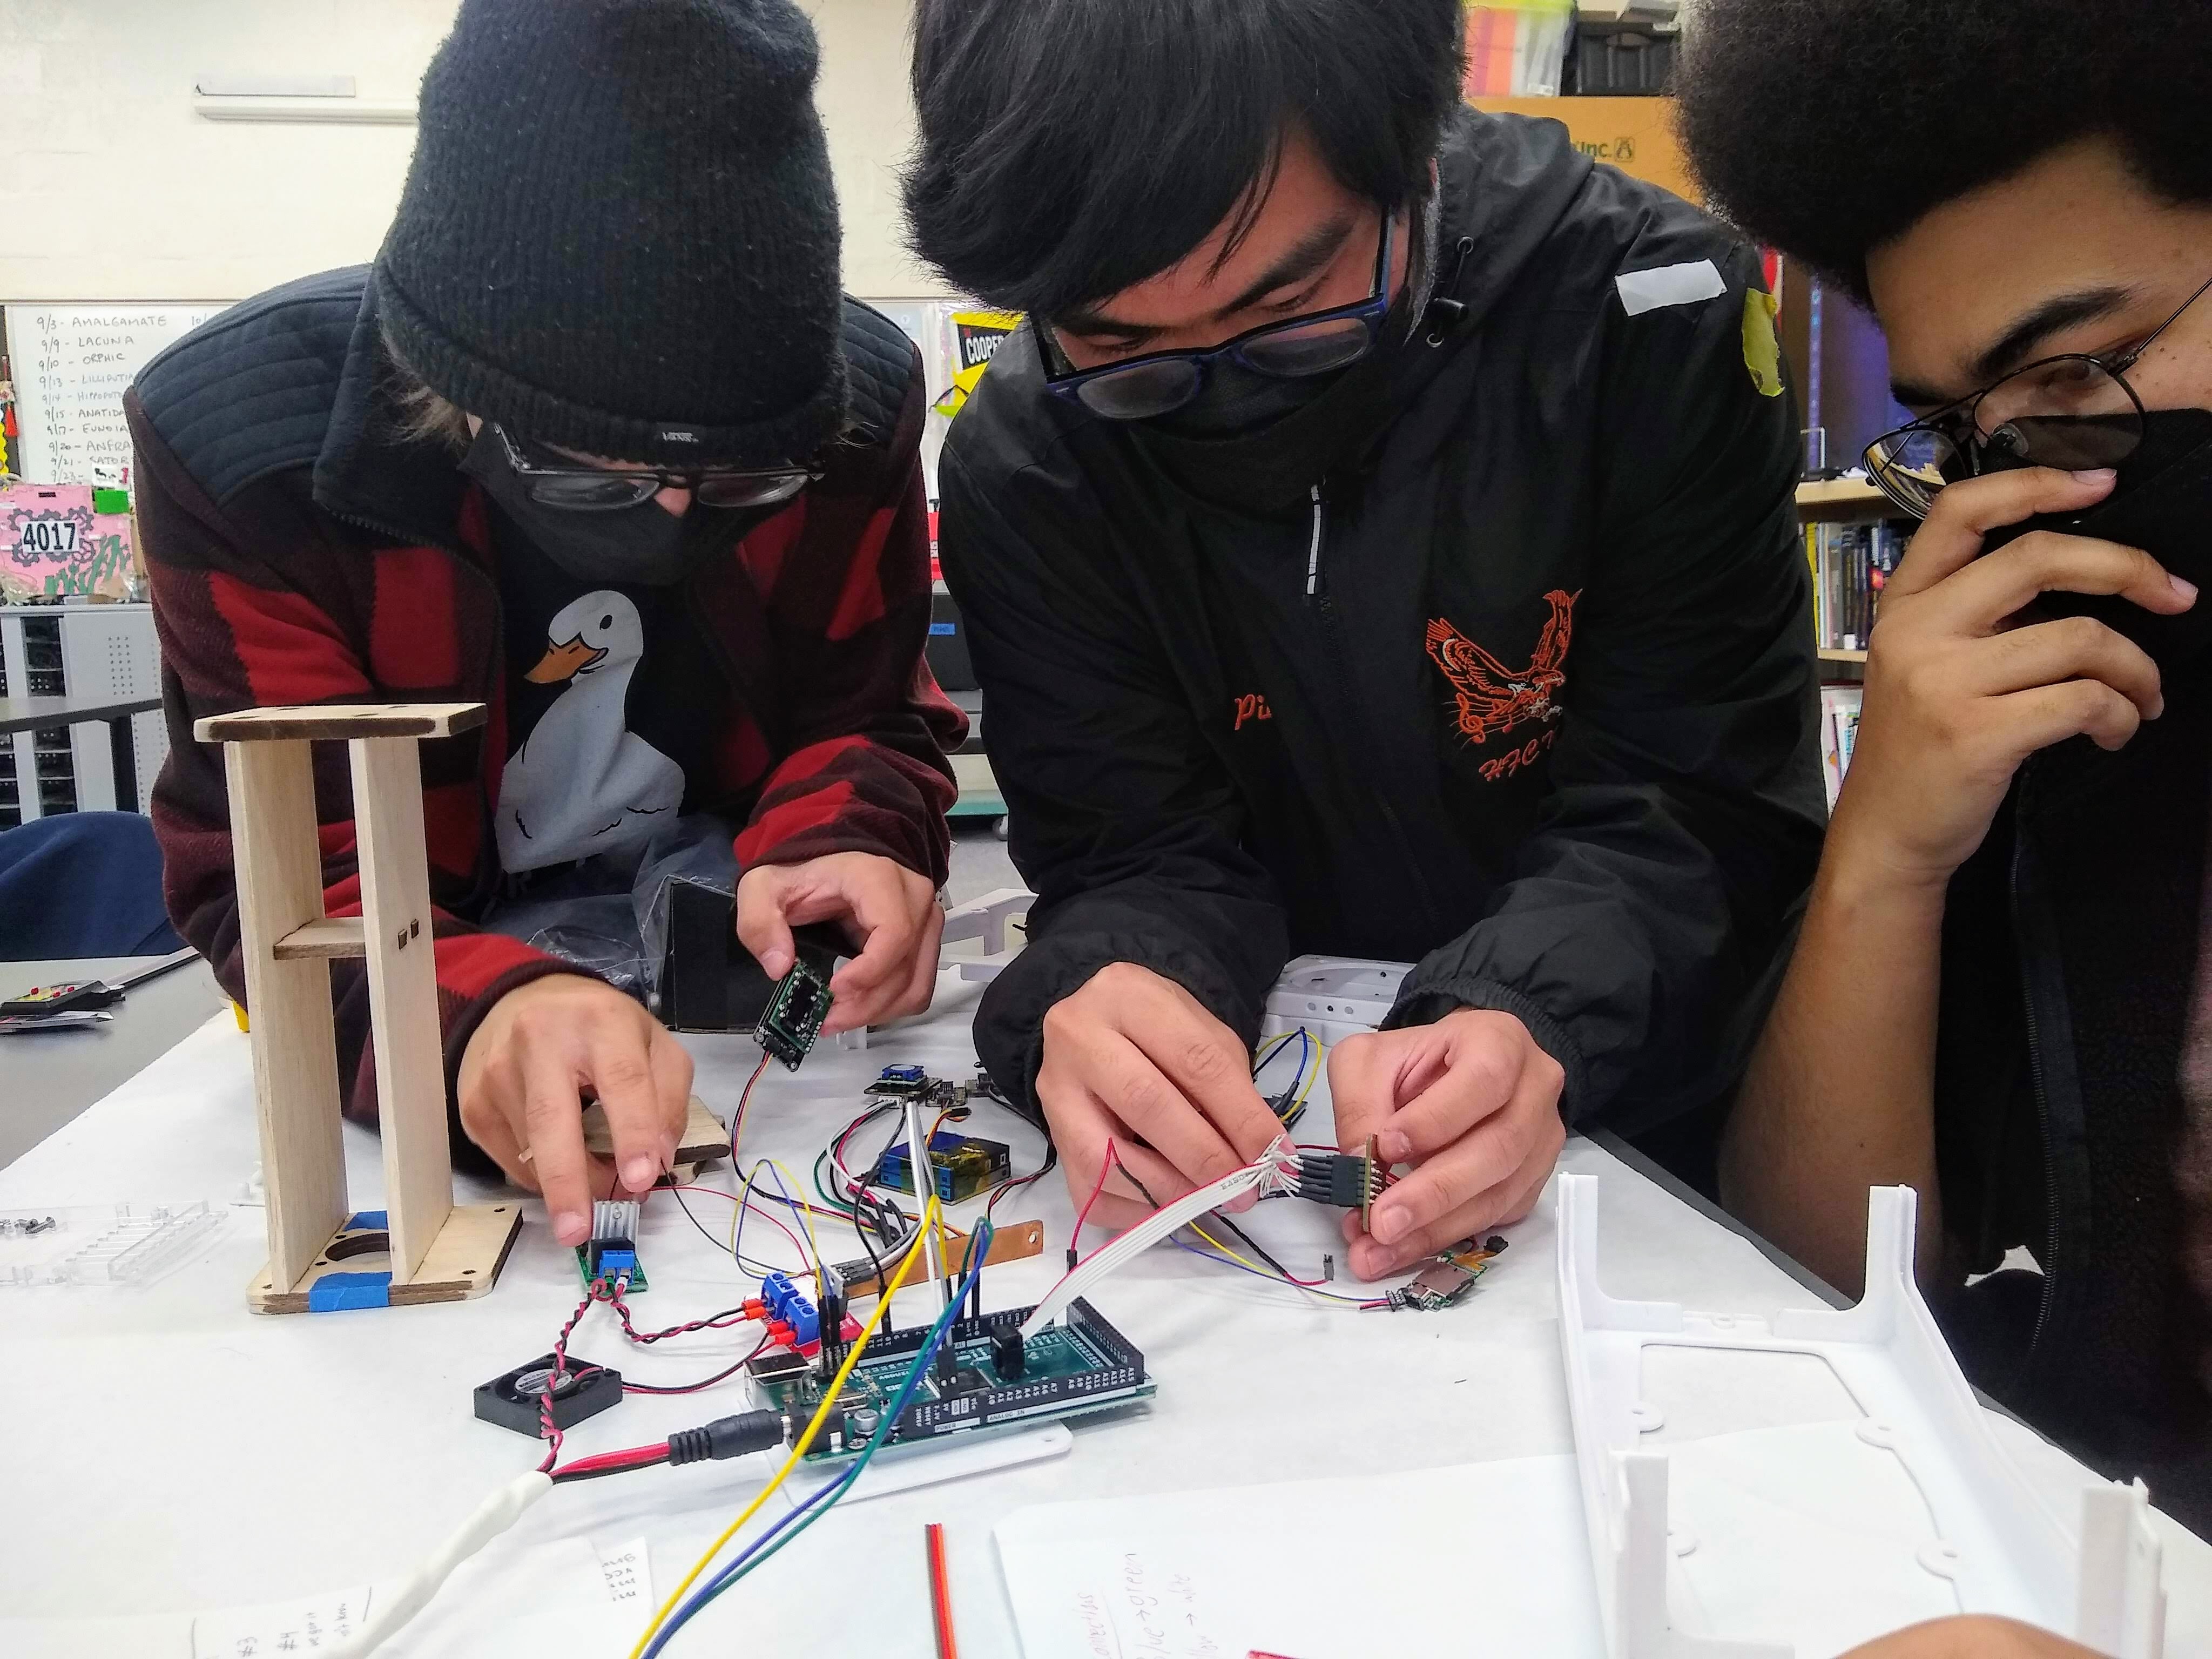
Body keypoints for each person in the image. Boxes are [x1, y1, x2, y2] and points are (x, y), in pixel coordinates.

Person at [906, 0, 1824, 1278]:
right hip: (1283, 1116)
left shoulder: (1646, 317)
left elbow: (1695, 796)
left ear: (1418, 166)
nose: (1216, 392)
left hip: (1647, 1099)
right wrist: (1106, 981)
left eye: (1289, 318)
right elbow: (1135, 845)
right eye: (1125, 354)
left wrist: (1527, 1009)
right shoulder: (1029, 457)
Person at [126, 0, 963, 1249]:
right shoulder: (247, 460)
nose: (675, 517)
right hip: (451, 956)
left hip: (751, 1037)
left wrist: (851, 841)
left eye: (736, 482)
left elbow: (865, 716)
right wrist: (468, 1020)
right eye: (598, 476)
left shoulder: (839, 416)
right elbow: (290, 881)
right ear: (449, 394)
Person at [1678, 0, 2212, 1530]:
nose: (2030, 475)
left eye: (2076, 375)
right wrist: (1888, 856)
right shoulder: (2068, 702)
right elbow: (1839, 1289)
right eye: (1965, 428)